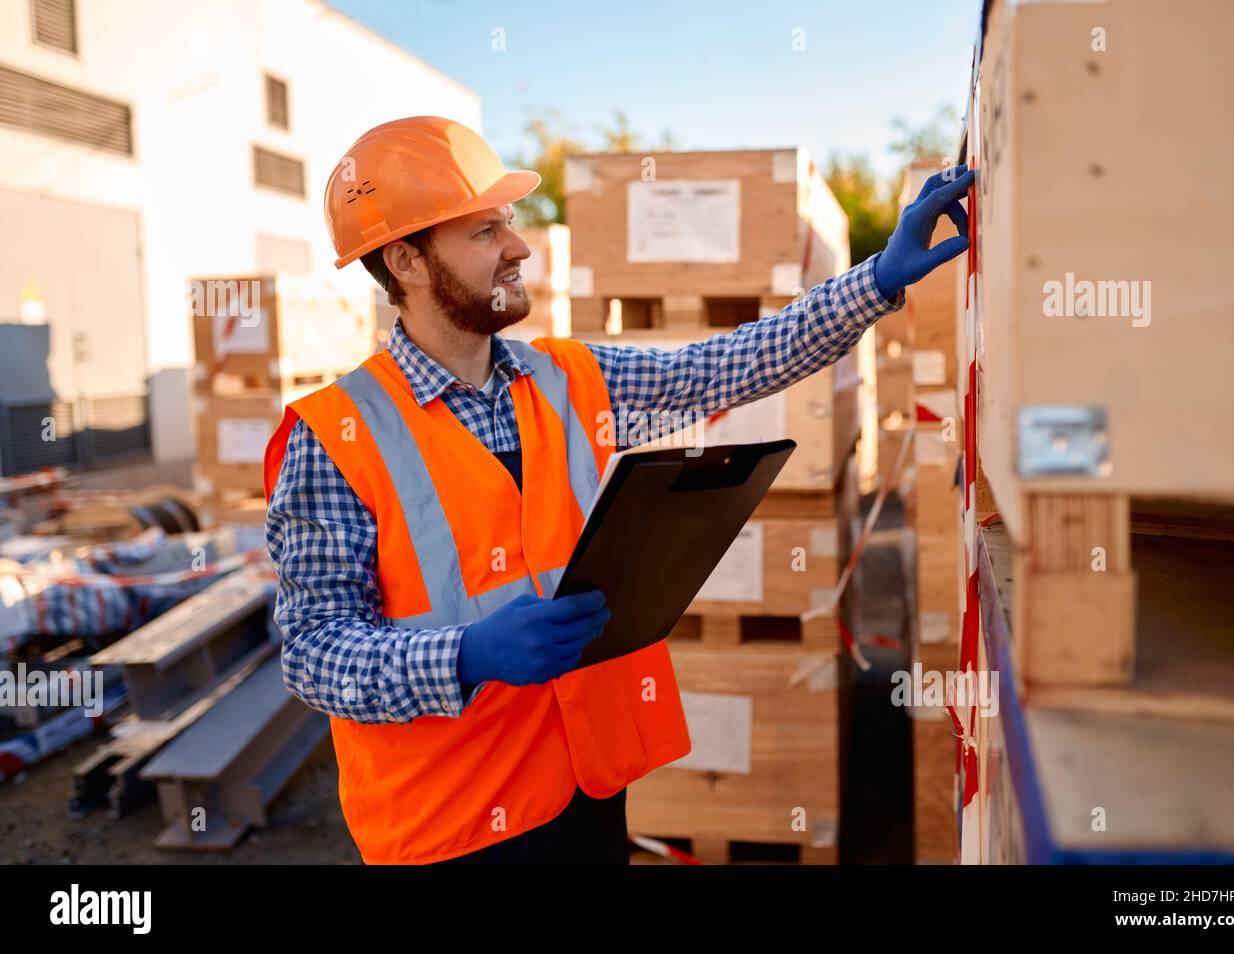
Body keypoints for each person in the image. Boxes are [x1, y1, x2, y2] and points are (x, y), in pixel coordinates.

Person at [263, 116, 973, 866]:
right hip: (454, 827)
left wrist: (877, 282)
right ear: (406, 259)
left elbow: (723, 368)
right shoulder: (335, 435)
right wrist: (465, 655)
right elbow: (313, 653)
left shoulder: (566, 380)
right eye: (483, 232)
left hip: (586, 788)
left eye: (507, 224)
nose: (519, 247)